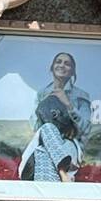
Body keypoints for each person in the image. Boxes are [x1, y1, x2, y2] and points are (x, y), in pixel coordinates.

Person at [20, 51, 92, 182]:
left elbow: (86, 128)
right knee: (45, 136)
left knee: (42, 153)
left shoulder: (81, 96)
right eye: (58, 62)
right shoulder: (42, 94)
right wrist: (44, 105)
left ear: (72, 71)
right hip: (45, 143)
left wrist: (68, 104)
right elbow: (35, 128)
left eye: (67, 63)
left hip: (69, 143)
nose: (62, 65)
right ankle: (62, 172)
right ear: (52, 67)